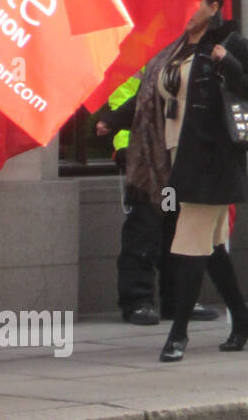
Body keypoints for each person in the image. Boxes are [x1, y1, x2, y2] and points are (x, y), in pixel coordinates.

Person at [102, 0, 248, 362]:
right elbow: (152, 95)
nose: (183, 10)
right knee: (207, 247)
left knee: (188, 243)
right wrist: (112, 120)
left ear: (213, 8)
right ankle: (243, 318)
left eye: (192, 2)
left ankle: (178, 334)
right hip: (174, 161)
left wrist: (229, 64)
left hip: (214, 161)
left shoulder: (231, 43)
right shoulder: (176, 47)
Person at [95, 73, 223, 325]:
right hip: (146, 162)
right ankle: (137, 301)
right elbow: (127, 103)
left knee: (176, 231)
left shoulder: (182, 56)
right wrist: (122, 146)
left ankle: (176, 300)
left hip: (178, 157)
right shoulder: (140, 61)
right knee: (144, 232)